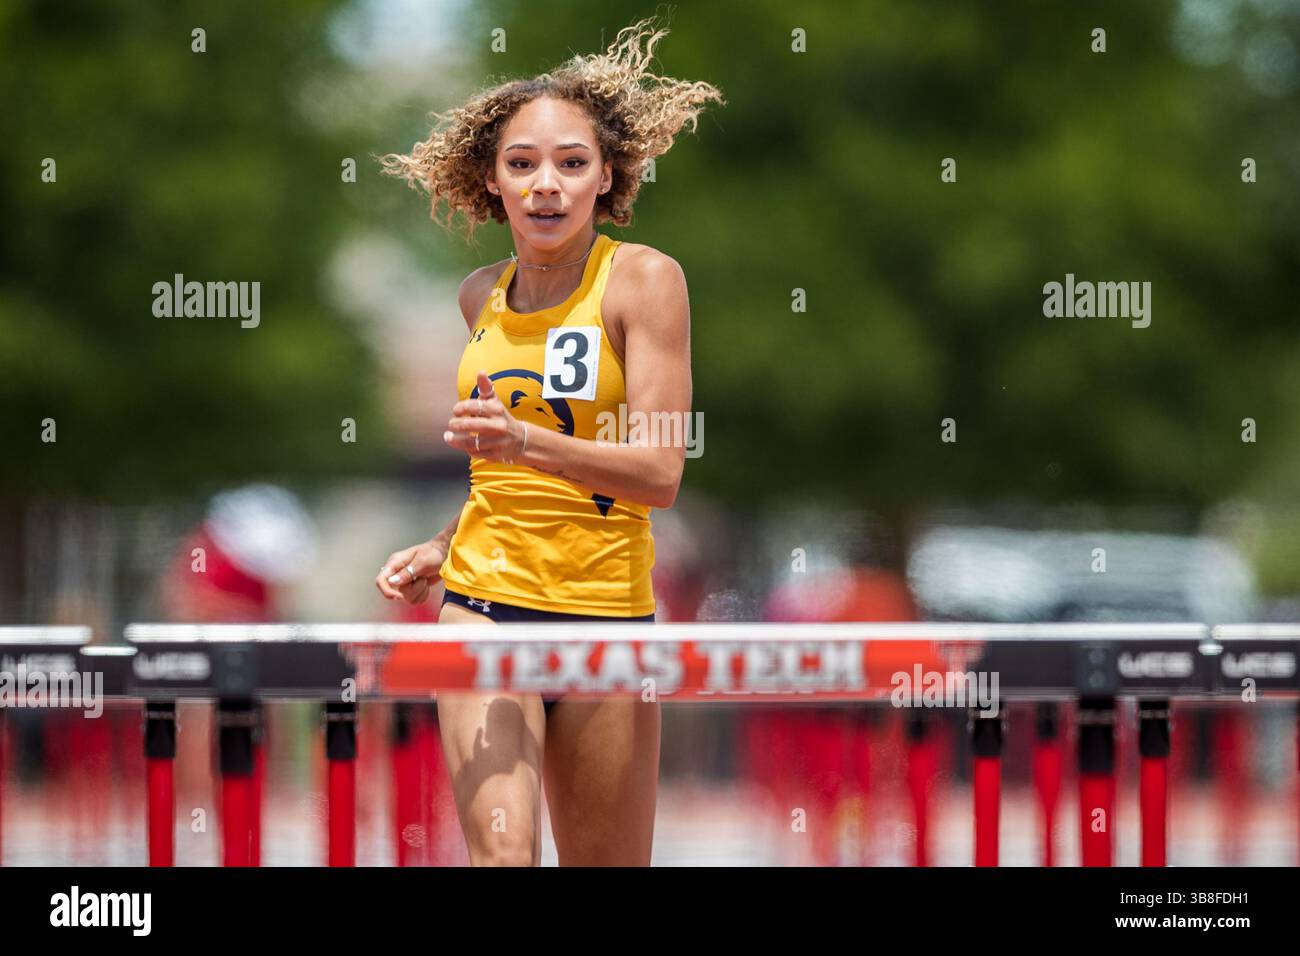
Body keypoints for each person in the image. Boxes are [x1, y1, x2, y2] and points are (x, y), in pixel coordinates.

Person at [373, 18, 723, 866]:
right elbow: (502, 469)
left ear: (608, 175)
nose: (546, 185)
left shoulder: (644, 281)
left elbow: (660, 472)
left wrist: (523, 443)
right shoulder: (476, 297)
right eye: (522, 164)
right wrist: (448, 542)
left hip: (608, 614)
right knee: (504, 856)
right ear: (491, 182)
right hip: (484, 609)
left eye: (571, 163)